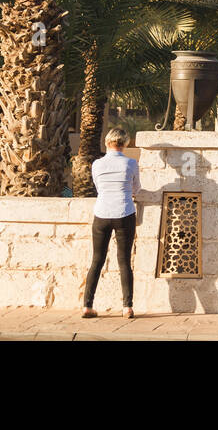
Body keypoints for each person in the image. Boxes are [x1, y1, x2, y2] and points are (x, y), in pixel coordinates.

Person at [82, 128, 140, 318]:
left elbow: (98, 188)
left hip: (102, 212)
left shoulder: (97, 164)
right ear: (124, 144)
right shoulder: (131, 163)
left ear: (107, 143)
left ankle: (87, 306)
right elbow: (136, 189)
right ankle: (127, 307)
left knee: (96, 260)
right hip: (124, 212)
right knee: (124, 261)